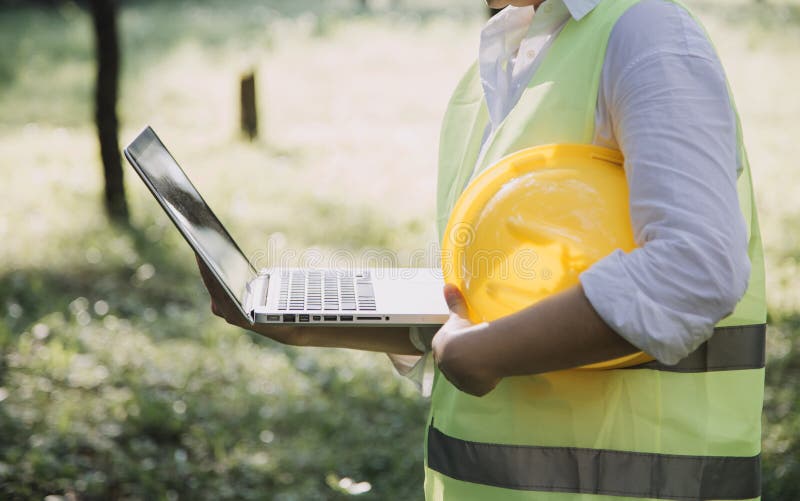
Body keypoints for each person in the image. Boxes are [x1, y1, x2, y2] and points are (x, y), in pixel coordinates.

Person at [197, 0, 767, 499]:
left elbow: (694, 268)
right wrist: (305, 322)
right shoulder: (499, 65)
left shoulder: (650, 36)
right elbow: (483, 302)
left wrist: (486, 353)